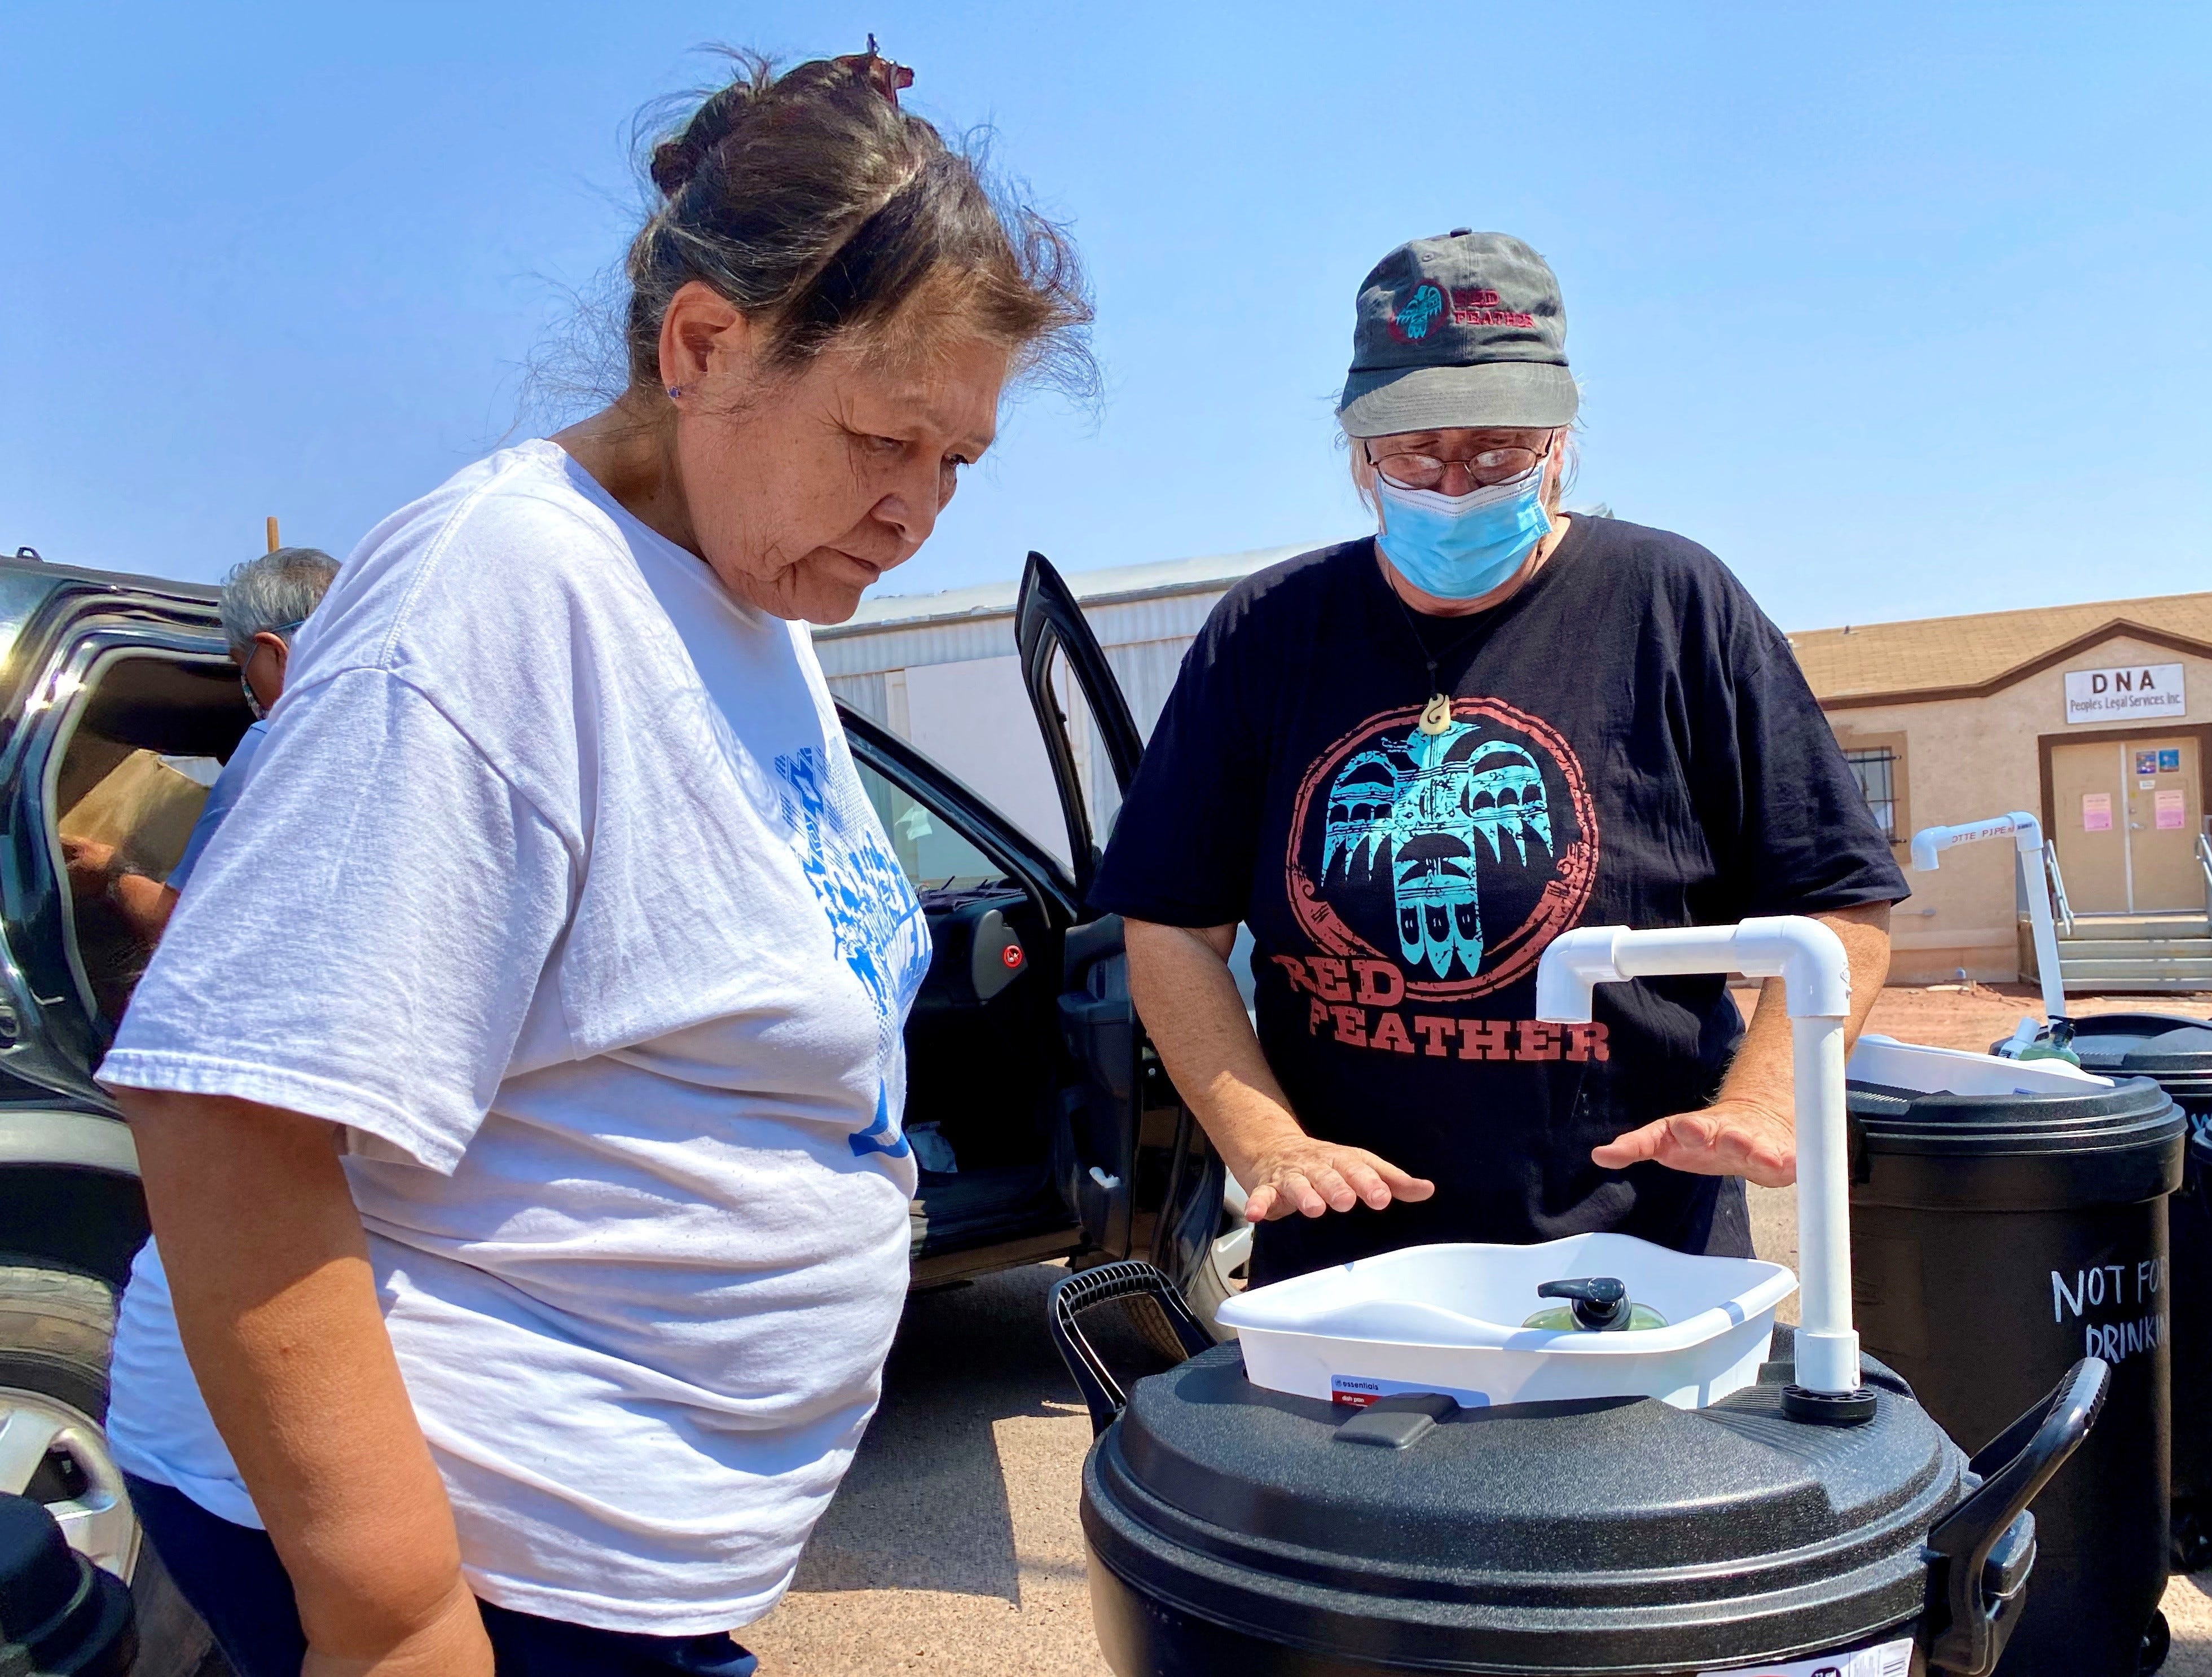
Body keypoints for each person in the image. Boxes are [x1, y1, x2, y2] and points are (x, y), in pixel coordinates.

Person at [99, 43, 1088, 1677]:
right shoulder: (495, 595)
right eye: (879, 439)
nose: (918, 508)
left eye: (955, 464)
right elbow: (226, 1122)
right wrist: (399, 1615)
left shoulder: (745, 599)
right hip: (459, 1572)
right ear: (703, 344)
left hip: (594, 1572)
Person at [1089, 231, 1903, 1289]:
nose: (1455, 484)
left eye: (1499, 450)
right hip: (1349, 1272)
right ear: (1357, 454)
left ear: (1562, 441)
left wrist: (1758, 1104)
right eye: (1414, 454)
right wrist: (1269, 1145)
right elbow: (1171, 931)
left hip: (1637, 1263)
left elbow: (1840, 908)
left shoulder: (1674, 605)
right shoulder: (1266, 634)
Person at [63, 547, 338, 944]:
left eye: (240, 664)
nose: (245, 685)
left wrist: (111, 872)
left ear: (275, 653)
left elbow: (179, 924)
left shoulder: (274, 744)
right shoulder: (421, 734)